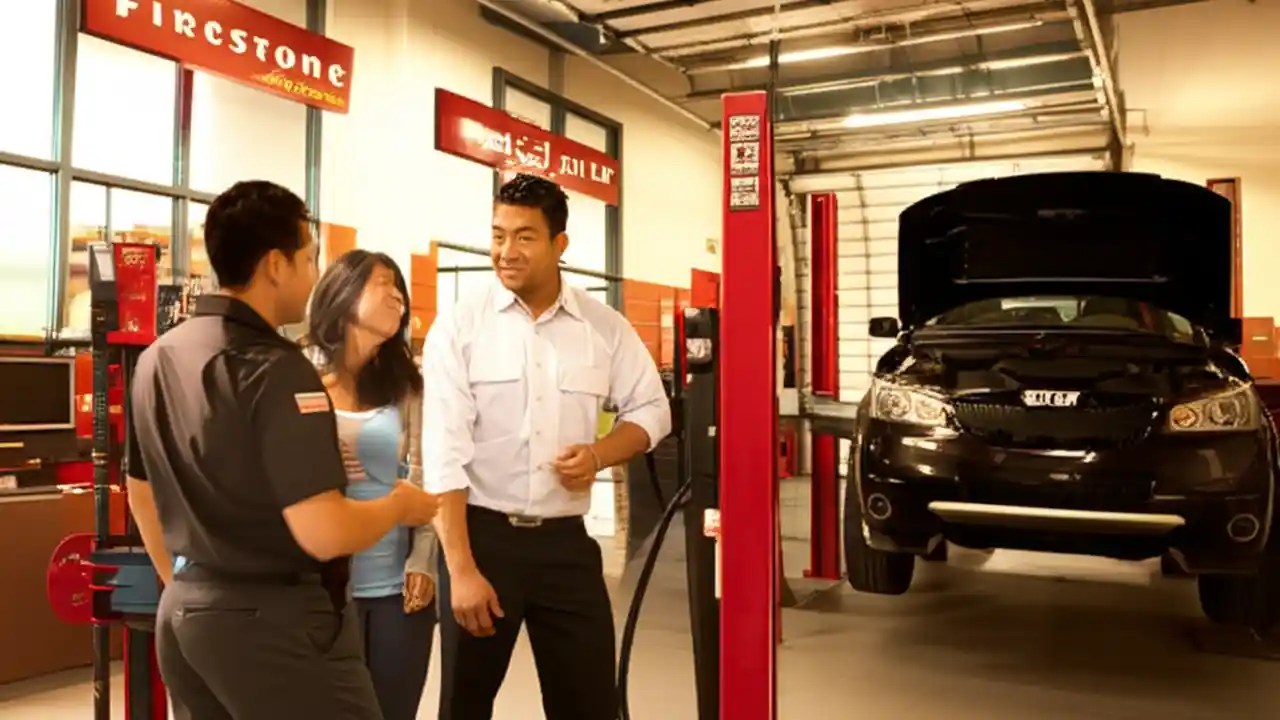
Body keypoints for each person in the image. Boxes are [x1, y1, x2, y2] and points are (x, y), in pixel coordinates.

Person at [123, 180, 439, 720]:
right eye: (310, 258)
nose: (315, 274)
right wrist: (400, 508)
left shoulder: (159, 356)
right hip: (274, 623)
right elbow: (324, 531)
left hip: (185, 615)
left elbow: (139, 492)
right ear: (276, 265)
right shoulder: (277, 369)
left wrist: (185, 587)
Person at [422, 174, 672, 720]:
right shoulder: (460, 326)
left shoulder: (602, 327)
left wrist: (601, 453)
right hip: (481, 542)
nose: (506, 251)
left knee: (587, 705)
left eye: (524, 236)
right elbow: (443, 455)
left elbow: (654, 411)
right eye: (497, 235)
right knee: (463, 706)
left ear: (560, 244)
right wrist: (460, 569)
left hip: (566, 548)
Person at [303, 249, 438, 720]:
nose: (398, 296)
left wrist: (424, 561)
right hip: (323, 592)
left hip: (397, 591)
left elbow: (426, 477)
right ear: (343, 294)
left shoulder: (410, 389)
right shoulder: (303, 383)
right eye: (385, 283)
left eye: (401, 287)